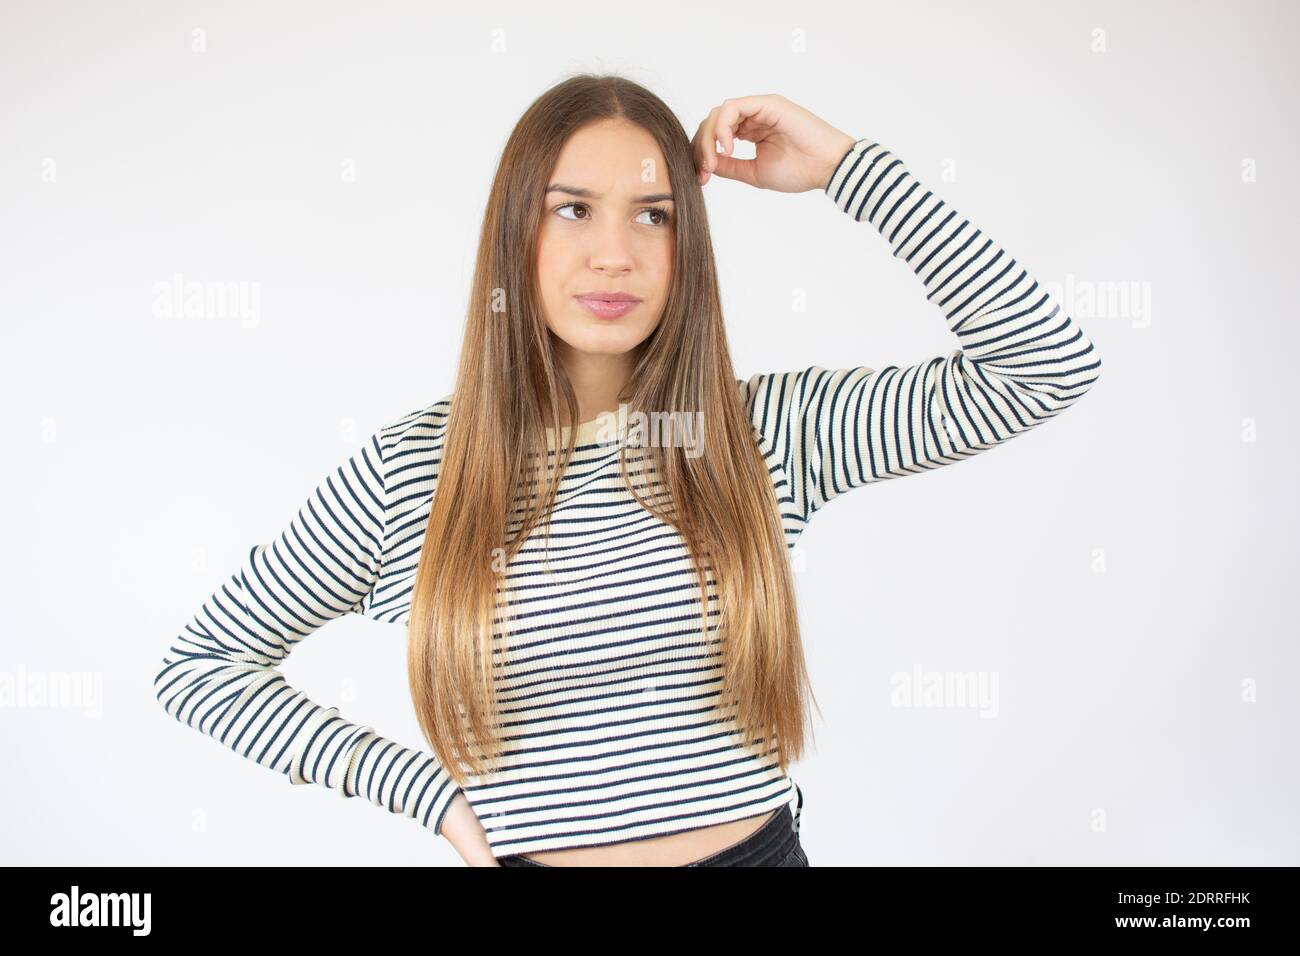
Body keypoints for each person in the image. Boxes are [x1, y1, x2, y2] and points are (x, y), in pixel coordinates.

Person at [153, 74, 1102, 867]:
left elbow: (1045, 367)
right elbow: (201, 668)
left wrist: (849, 171)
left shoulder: (758, 431)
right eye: (573, 210)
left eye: (653, 215)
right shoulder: (415, 470)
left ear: (687, 244)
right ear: (515, 234)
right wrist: (424, 796)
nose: (615, 254)